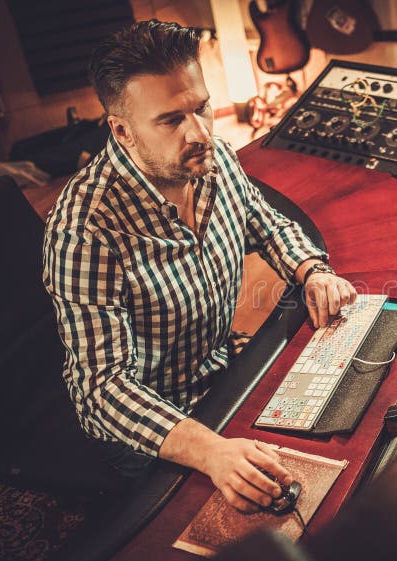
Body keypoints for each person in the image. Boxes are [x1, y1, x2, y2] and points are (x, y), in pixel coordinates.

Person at [42, 20, 357, 512]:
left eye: (201, 107)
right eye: (171, 120)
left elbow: (267, 225)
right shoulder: (85, 230)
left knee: (340, 442)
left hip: (219, 370)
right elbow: (103, 389)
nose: (200, 133)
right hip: (146, 429)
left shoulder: (213, 159)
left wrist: (312, 271)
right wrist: (209, 450)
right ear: (122, 131)